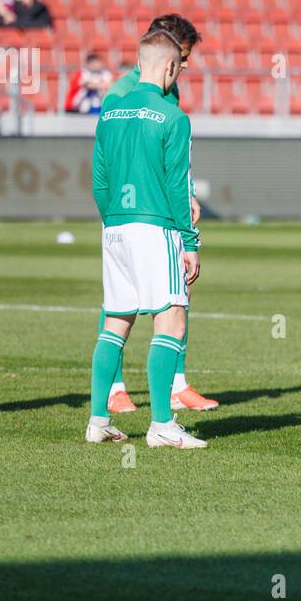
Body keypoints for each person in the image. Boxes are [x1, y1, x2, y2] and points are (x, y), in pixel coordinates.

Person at [87, 31, 203, 449]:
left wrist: (112, 219)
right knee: (171, 316)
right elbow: (178, 186)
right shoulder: (174, 117)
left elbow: (98, 177)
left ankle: (99, 418)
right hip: (156, 227)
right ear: (171, 67)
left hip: (115, 226)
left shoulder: (111, 110)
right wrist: (191, 242)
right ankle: (162, 426)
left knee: (116, 320)